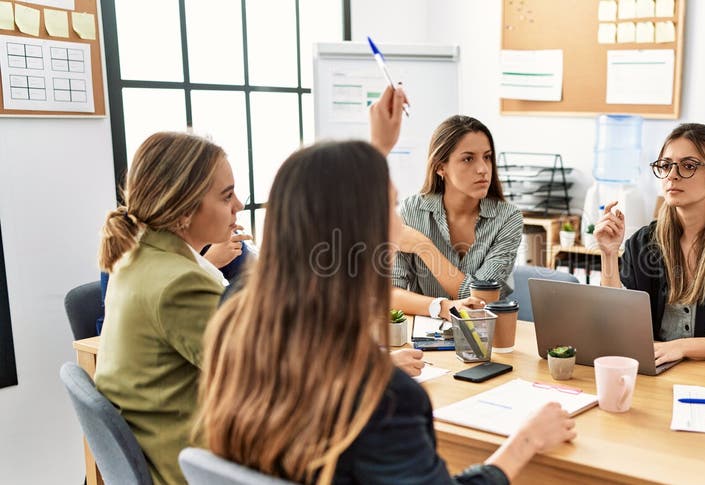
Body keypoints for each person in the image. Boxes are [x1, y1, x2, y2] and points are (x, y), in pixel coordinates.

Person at [196, 85, 576, 485]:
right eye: (389, 209)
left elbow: (330, 202)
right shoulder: (386, 398)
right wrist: (525, 441)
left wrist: (378, 146)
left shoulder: (237, 314)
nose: (400, 225)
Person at [95, 132, 244, 485]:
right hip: (187, 467)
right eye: (226, 195)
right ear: (184, 209)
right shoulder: (177, 283)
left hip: (161, 450)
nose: (238, 204)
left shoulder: (134, 258)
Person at [593, 123, 705, 367]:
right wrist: (609, 253)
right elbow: (617, 319)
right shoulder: (644, 242)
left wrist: (678, 348)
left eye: (688, 166)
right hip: (655, 372)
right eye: (666, 165)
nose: (672, 175)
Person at [390, 114, 523, 320]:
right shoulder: (411, 211)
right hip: (426, 340)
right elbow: (390, 294)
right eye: (468, 159)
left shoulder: (508, 218)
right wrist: (443, 307)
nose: (483, 169)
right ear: (440, 167)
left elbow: (479, 301)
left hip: (485, 338)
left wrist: (424, 247)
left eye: (487, 157)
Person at [95, 230, 254, 335]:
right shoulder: (128, 243)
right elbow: (151, 315)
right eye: (224, 197)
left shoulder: (218, 235)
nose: (237, 205)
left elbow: (254, 292)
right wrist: (207, 264)